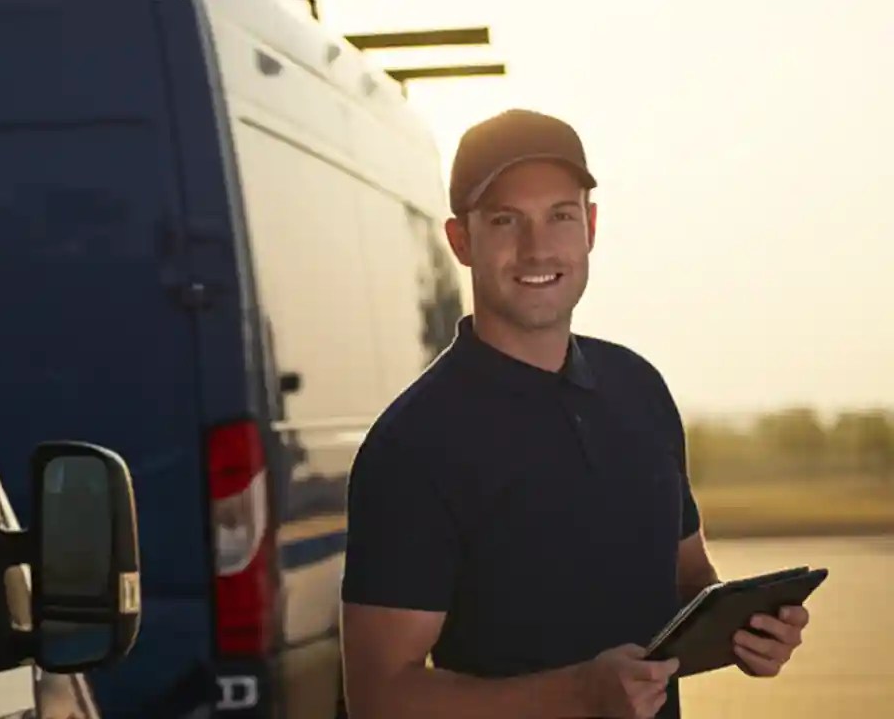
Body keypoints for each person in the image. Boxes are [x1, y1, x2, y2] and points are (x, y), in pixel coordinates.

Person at [338, 108, 811, 719]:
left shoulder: (638, 388)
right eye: (507, 220)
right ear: (461, 240)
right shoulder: (414, 445)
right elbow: (381, 697)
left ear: (589, 226)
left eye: (560, 216)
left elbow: (688, 575)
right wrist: (578, 695)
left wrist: (739, 628)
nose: (537, 247)